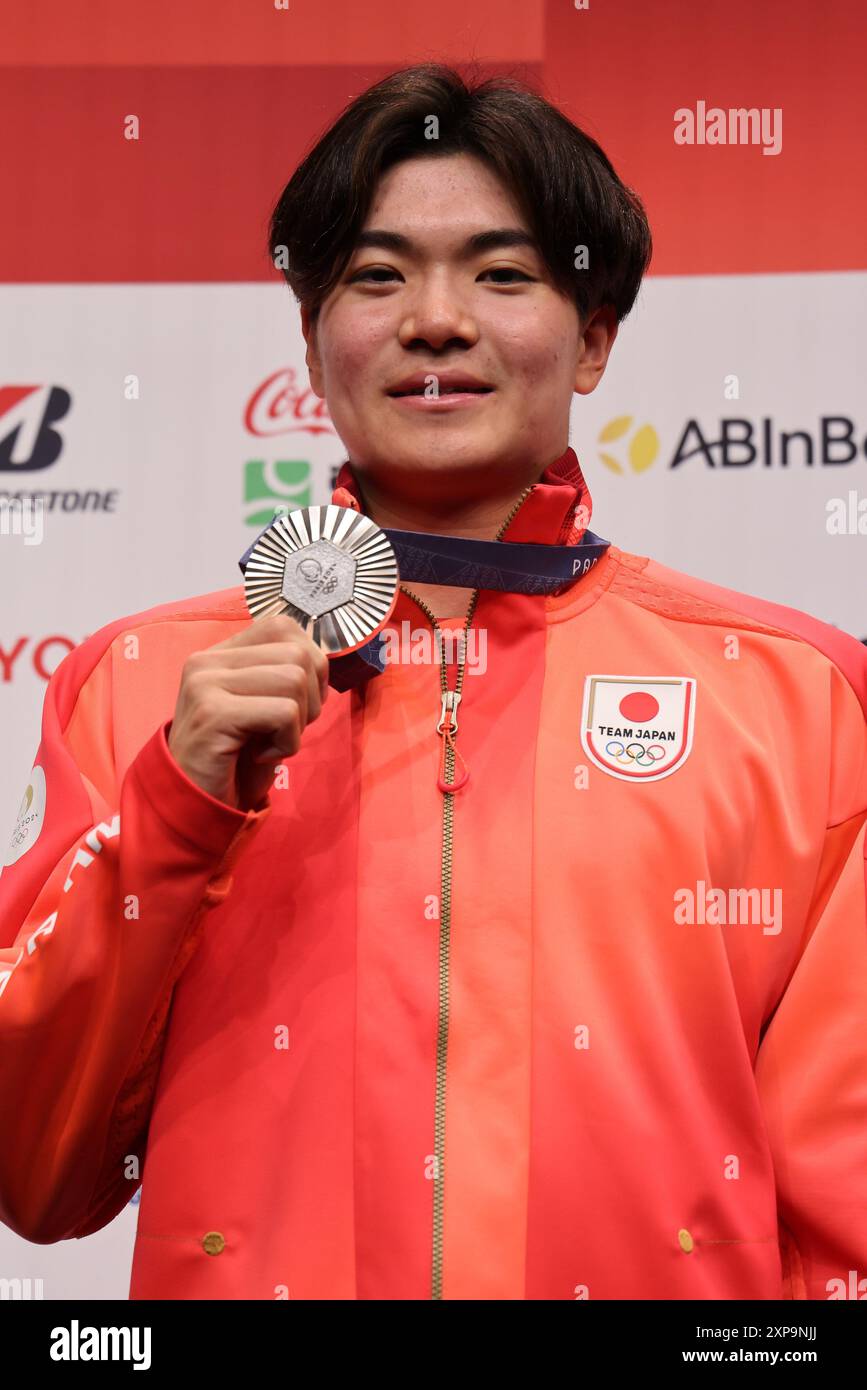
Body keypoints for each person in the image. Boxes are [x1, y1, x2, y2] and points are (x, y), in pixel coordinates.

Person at [0, 63, 865, 1302]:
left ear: (595, 338)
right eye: (377, 275)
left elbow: (848, 1219)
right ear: (311, 341)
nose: (436, 320)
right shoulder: (139, 685)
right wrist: (177, 810)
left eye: (504, 274)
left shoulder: (804, 700)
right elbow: (36, 1174)